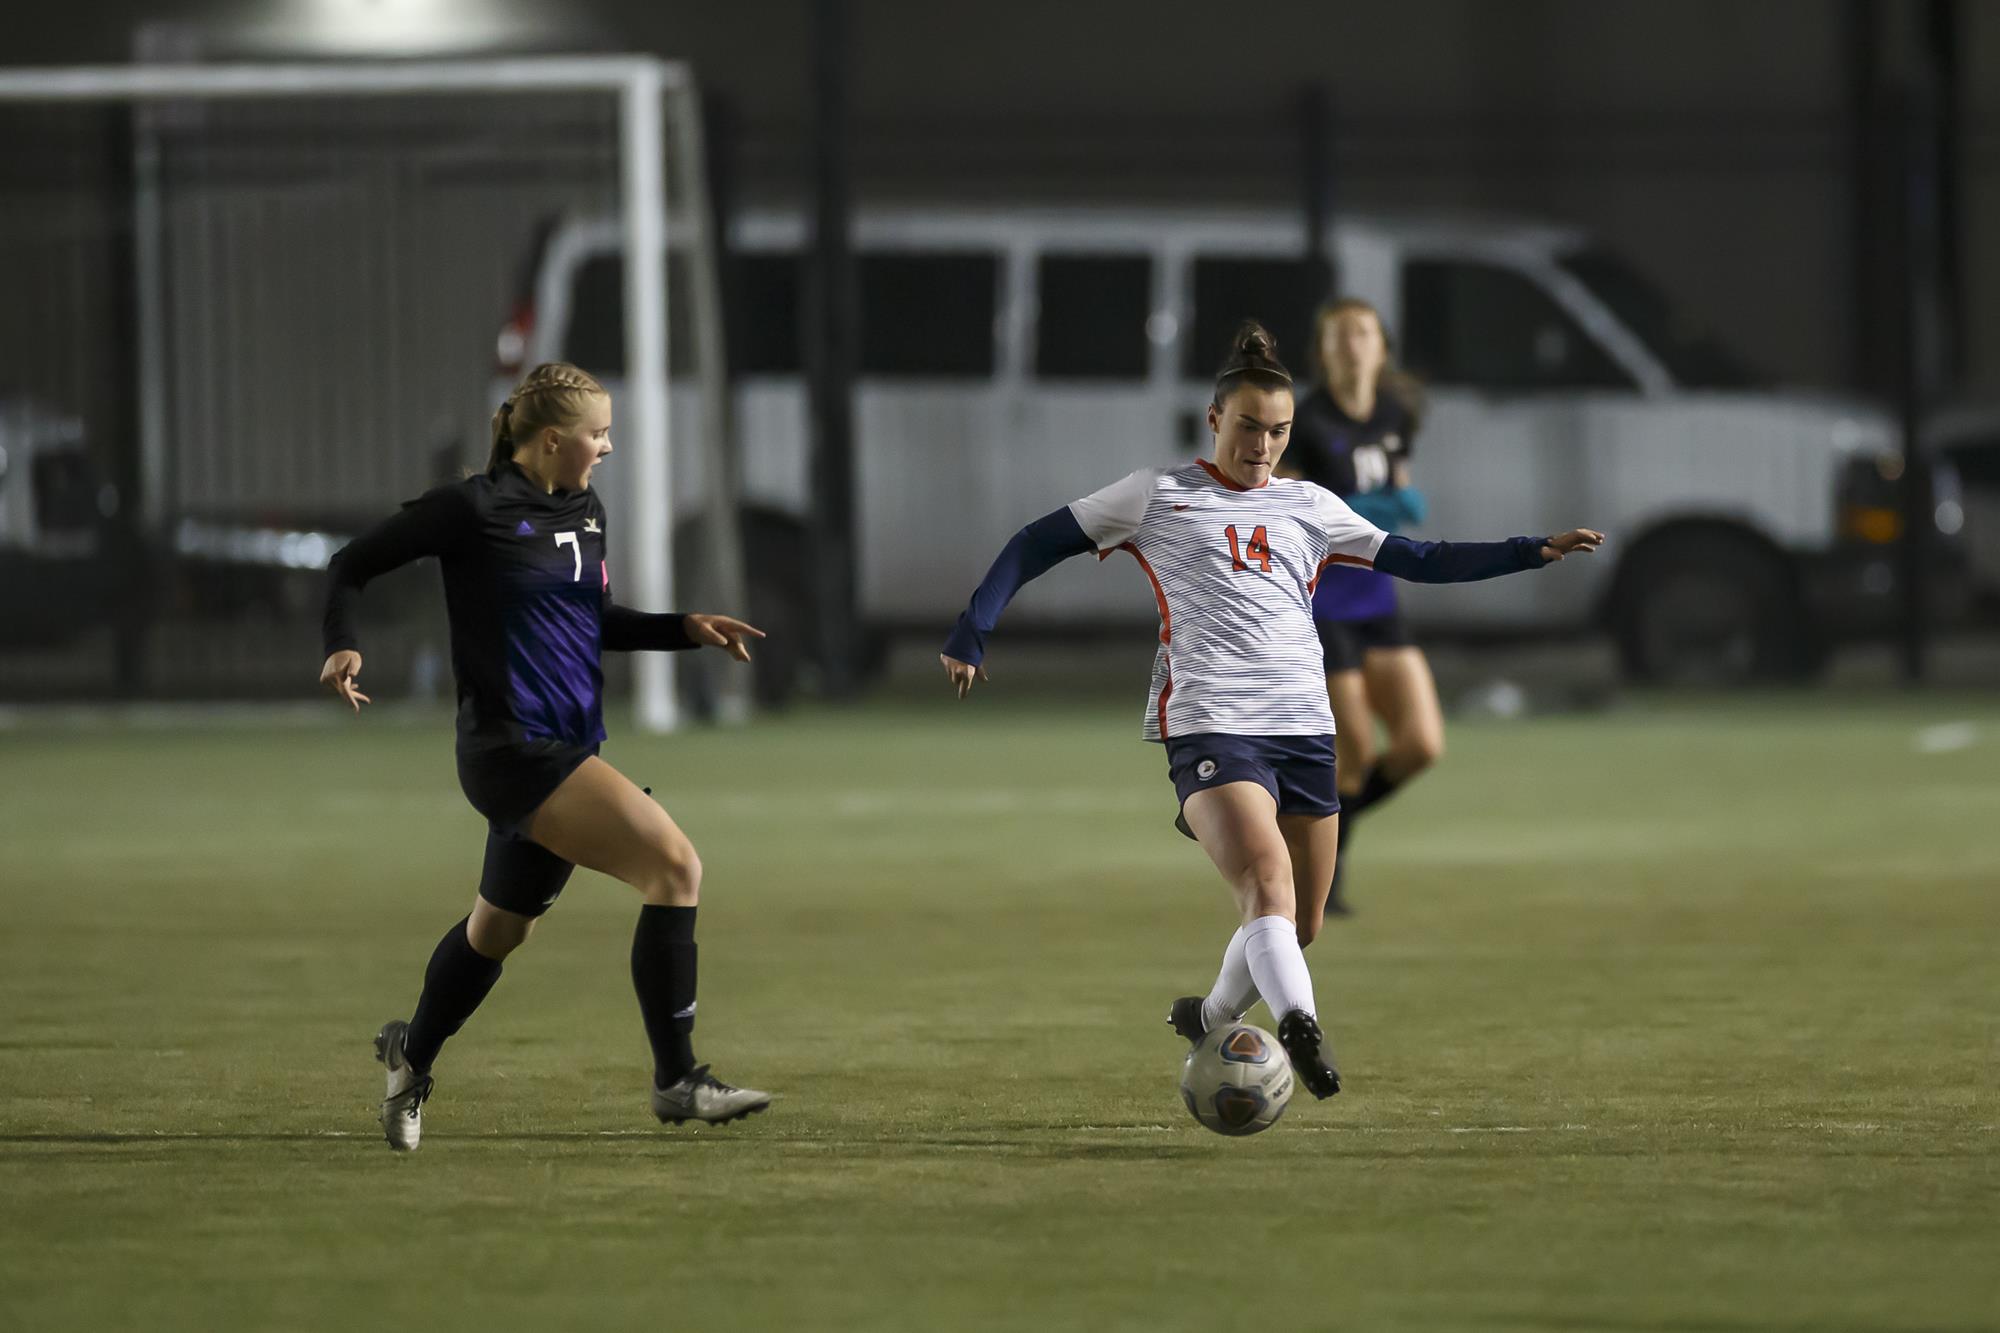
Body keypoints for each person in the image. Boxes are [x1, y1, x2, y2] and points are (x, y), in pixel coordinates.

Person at [939, 323, 1601, 1099]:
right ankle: (1302, 1032)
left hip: (1305, 730)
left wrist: (1530, 550)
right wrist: (973, 627)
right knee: (1264, 884)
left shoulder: (1312, 504)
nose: (1262, 444)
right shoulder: (1155, 493)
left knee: (1297, 923)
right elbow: (1034, 541)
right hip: (1212, 725)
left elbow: (1419, 559)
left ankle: (1211, 1012)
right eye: (1249, 426)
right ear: (1214, 419)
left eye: (1279, 430)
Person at [318, 361, 771, 1150]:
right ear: (554, 439)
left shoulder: (584, 507)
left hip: (565, 744)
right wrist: (342, 645)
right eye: (599, 434)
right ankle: (677, 1080)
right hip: (511, 749)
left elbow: (592, 618)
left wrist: (684, 627)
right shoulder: (472, 508)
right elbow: (351, 563)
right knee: (675, 866)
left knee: (498, 933)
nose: (609, 447)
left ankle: (408, 1053)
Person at [1285, 297, 1438, 915]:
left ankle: (1318, 838)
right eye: (1341, 335)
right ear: (1323, 351)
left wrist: (1402, 501)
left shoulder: (1397, 411)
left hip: (1377, 594)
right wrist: (1364, 509)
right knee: (1354, 755)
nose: (1354, 344)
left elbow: (1399, 489)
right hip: (1323, 603)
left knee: (1421, 744)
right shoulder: (1304, 416)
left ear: (1383, 347)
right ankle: (1323, 879)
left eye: (1364, 333)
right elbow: (1293, 503)